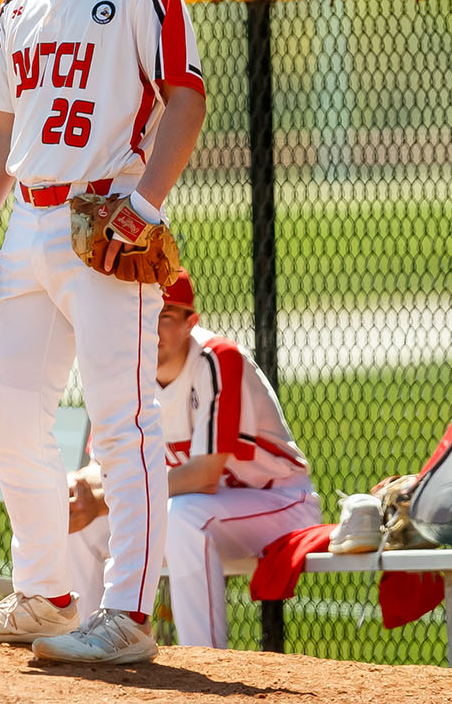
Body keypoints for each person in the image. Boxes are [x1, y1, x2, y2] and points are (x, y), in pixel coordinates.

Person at [0, 0, 207, 665]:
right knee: (10, 417)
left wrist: (148, 201)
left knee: (121, 422)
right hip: (26, 225)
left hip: (102, 222)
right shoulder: (17, 2)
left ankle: (127, 613)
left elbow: (187, 98)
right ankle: (47, 594)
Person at [64, 268, 321, 649]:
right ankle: (87, 643)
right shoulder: (127, 369)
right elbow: (105, 468)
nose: (152, 330)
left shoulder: (218, 360)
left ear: (190, 323)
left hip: (279, 502)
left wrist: (104, 500)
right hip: (200, 508)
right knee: (83, 522)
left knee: (182, 515)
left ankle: (203, 656)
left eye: (165, 317)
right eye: (144, 315)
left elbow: (204, 475)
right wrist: (80, 489)